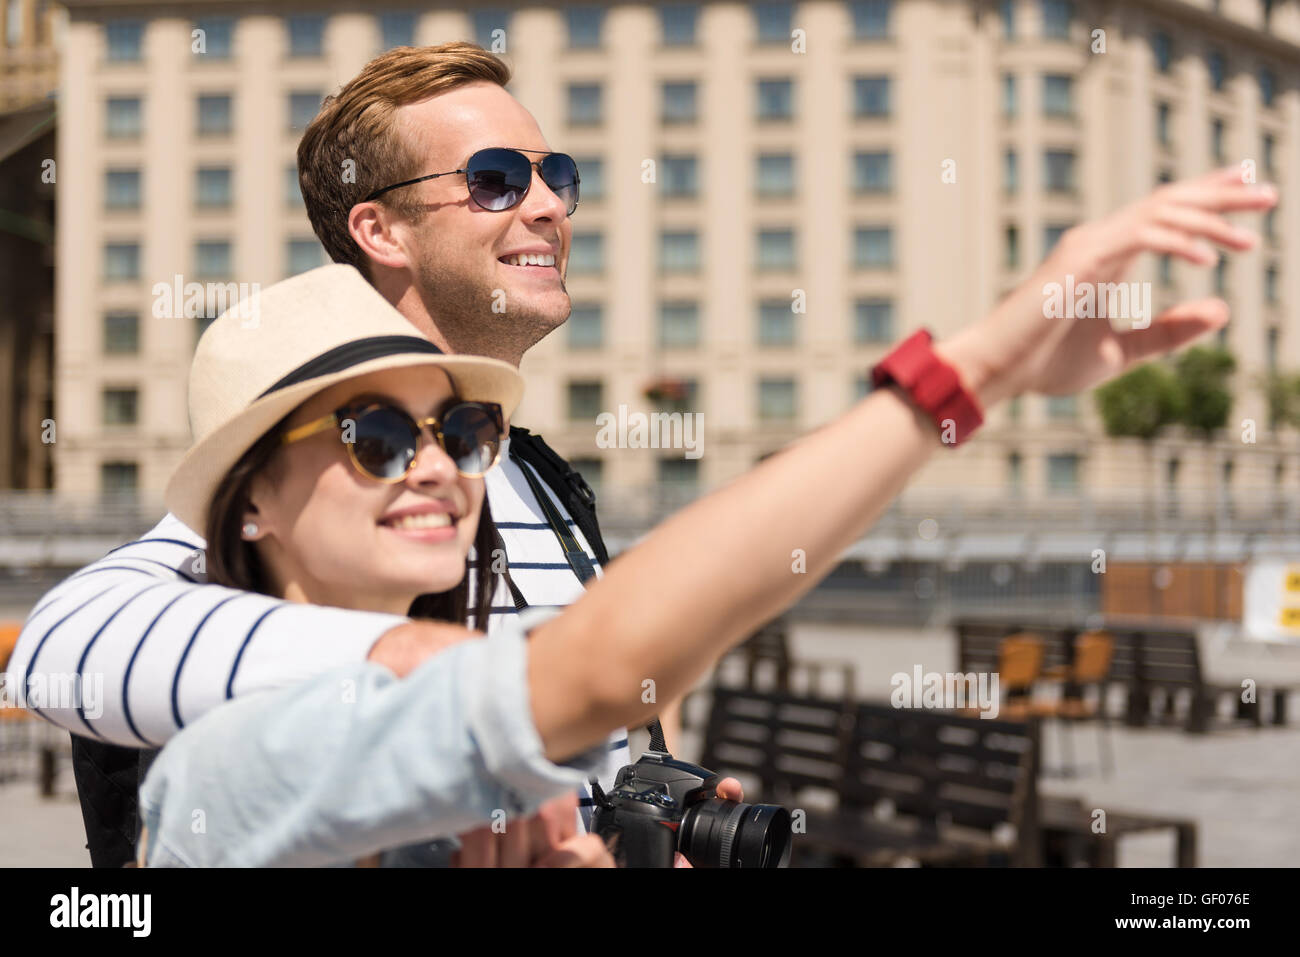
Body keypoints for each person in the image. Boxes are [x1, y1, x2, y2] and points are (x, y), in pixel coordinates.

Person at [4, 38, 1276, 864]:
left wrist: (635, 798)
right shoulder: (246, 579)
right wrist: (451, 673)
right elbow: (68, 642)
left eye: (554, 169)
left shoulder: (542, 482)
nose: (552, 200)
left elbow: (610, 709)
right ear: (377, 229)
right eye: (498, 179)